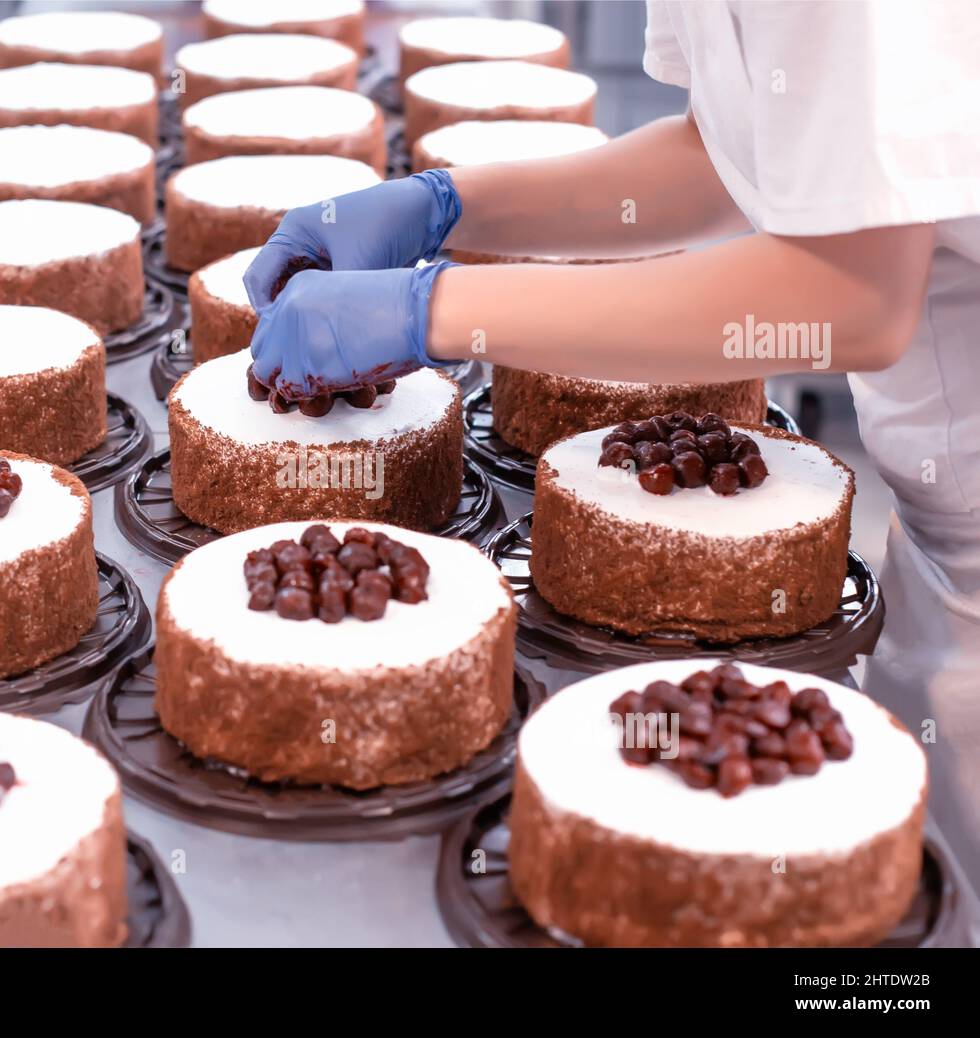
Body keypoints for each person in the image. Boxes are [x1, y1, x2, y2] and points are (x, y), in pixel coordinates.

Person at [245, 0, 980, 887]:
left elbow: (853, 298)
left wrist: (436, 310)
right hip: (942, 516)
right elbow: (720, 159)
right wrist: (448, 204)